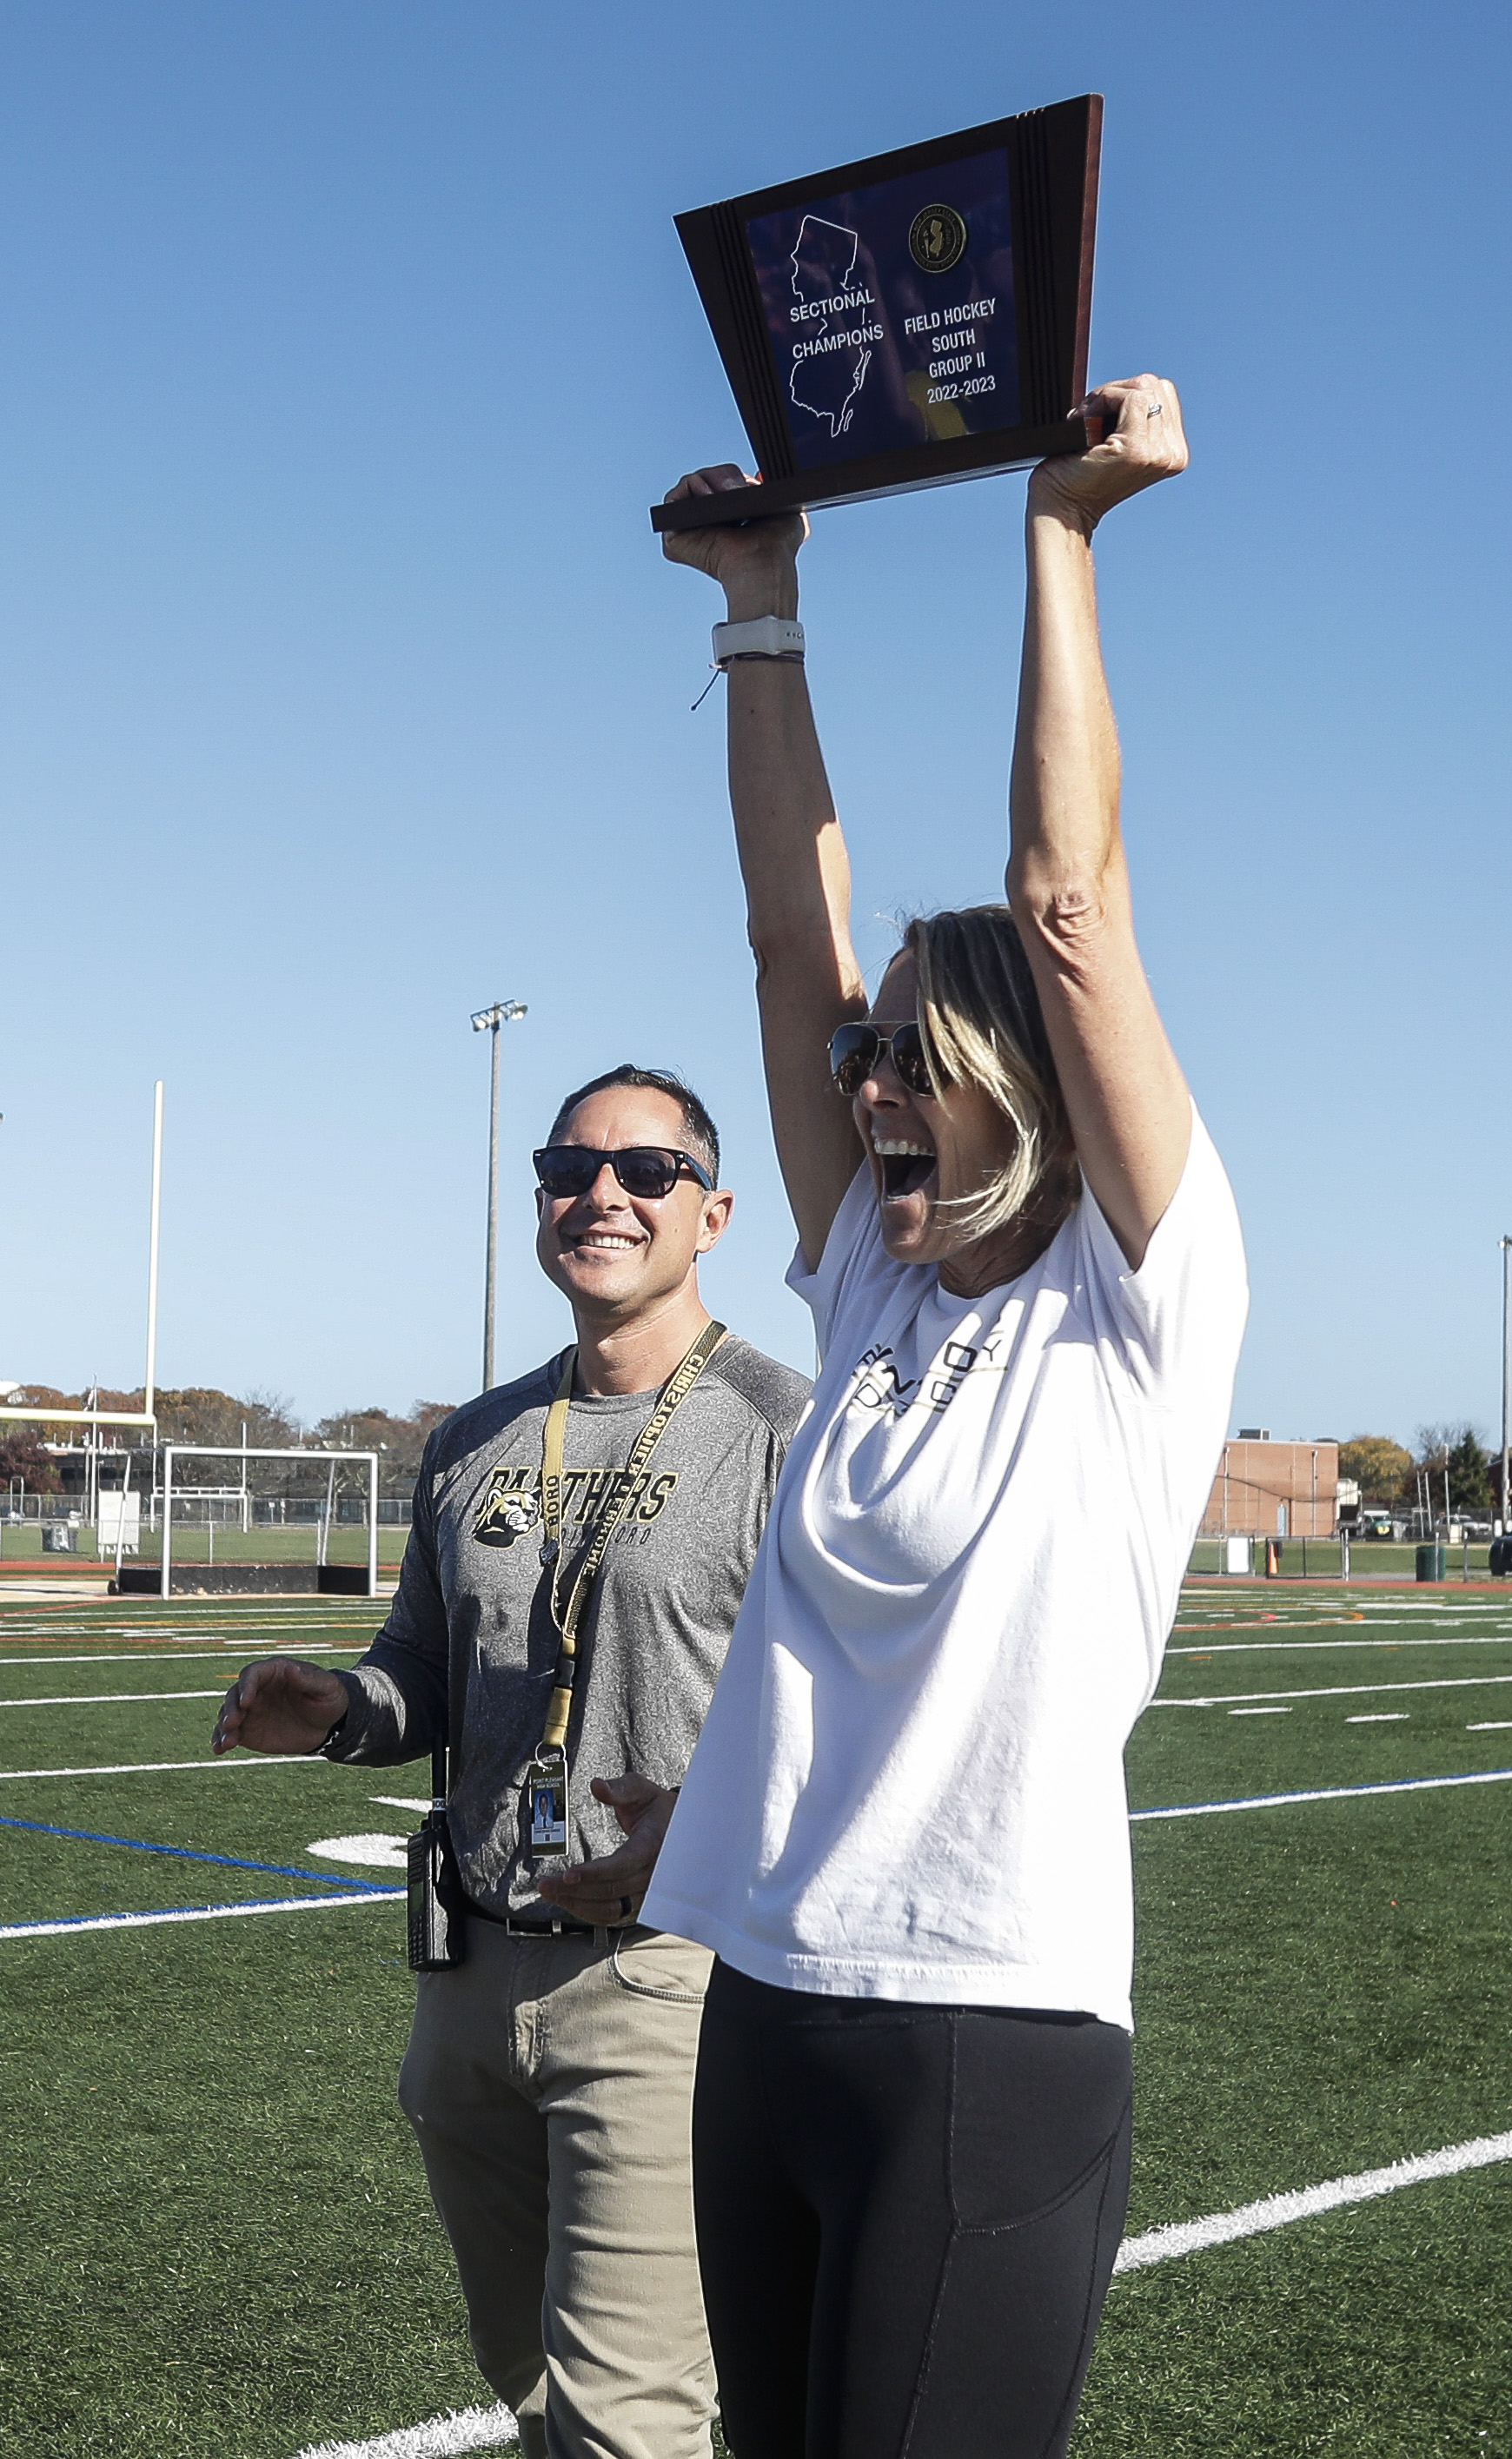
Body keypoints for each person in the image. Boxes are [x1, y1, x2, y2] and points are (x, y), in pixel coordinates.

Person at [643, 376, 1249, 2459]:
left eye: (911, 1052)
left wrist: (1057, 530)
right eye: (861, 1054)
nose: (864, 1079)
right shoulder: (875, 1280)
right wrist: (756, 601)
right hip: (769, 2003)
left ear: (1021, 1070)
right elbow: (781, 931)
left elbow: (1069, 905)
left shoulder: (1139, 1298)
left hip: (990, 2028)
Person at [212, 1064, 810, 2459]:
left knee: (624, 2416)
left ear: (710, 1211)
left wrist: (706, 1824)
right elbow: (420, 1669)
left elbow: (838, 1711)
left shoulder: (789, 1421)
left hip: (668, 1977)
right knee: (530, 2382)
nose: (600, 1193)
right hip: (469, 1973)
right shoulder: (473, 1436)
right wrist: (339, 1706)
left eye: (645, 1171)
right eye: (568, 1167)